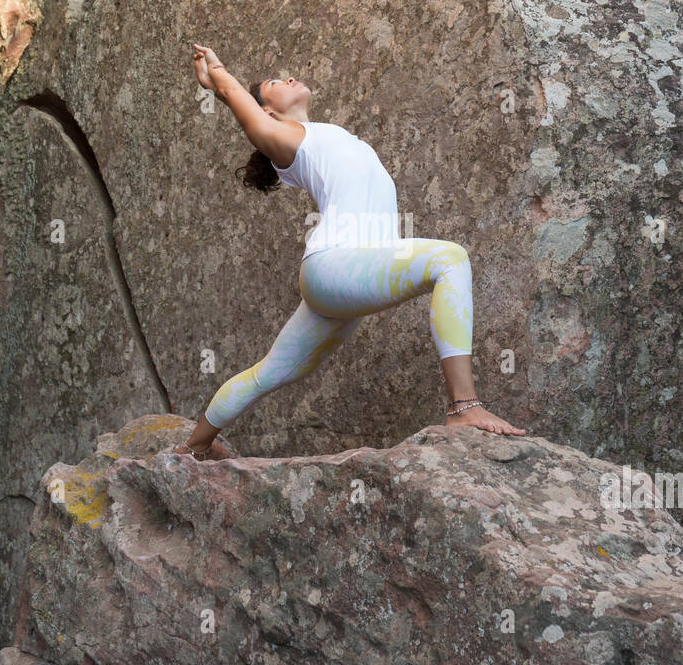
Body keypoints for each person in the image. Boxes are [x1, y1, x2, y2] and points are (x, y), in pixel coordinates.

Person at [176, 43, 524, 460]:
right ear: (266, 111)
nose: (289, 78)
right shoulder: (286, 139)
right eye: (275, 82)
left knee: (268, 372)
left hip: (344, 275)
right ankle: (463, 406)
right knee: (450, 259)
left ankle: (193, 447)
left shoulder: (323, 136)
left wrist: (220, 87)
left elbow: (241, 101)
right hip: (334, 266)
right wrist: (218, 75)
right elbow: (240, 102)